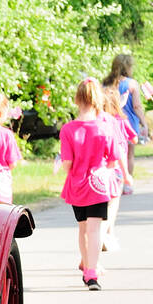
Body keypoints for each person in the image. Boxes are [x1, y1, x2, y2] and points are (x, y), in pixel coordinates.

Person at [59, 78, 121, 291]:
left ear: (77, 99)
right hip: (98, 185)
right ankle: (91, 273)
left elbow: (67, 164)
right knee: (96, 230)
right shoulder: (105, 128)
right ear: (97, 100)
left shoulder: (68, 130)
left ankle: (87, 265)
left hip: (77, 185)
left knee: (83, 228)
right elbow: (113, 161)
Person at [102, 53, 148, 190]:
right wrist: (144, 123)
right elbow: (137, 106)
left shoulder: (105, 83)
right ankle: (126, 185)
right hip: (128, 123)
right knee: (129, 155)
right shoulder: (132, 84)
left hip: (109, 122)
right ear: (127, 67)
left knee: (111, 155)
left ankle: (113, 182)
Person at [99, 86, 136, 252]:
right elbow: (133, 139)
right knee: (113, 204)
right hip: (117, 169)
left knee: (102, 202)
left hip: (100, 168)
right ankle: (107, 233)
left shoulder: (99, 121)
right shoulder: (120, 121)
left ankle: (106, 233)